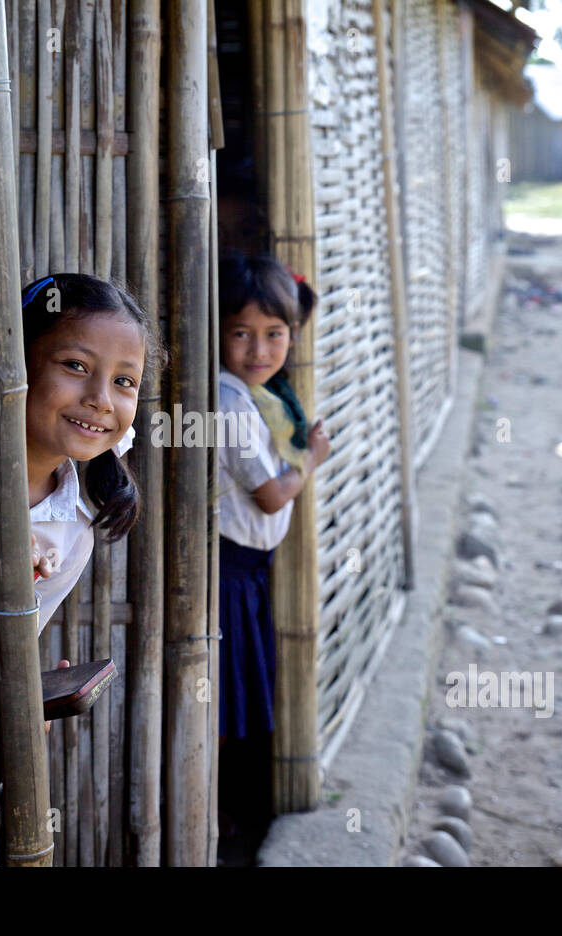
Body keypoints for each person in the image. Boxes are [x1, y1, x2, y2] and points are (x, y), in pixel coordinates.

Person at [215, 253, 330, 858]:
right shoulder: (231, 404)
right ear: (219, 332)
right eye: (241, 333)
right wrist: (308, 460)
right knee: (221, 706)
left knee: (229, 703)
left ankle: (217, 807)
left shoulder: (257, 396)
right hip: (228, 573)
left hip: (248, 574)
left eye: (274, 335)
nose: (259, 349)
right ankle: (204, 810)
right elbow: (268, 496)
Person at [21, 273, 162, 637]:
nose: (101, 400)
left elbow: (14, 652)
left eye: (124, 382)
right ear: (17, 360)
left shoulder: (73, 535)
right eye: (75, 365)